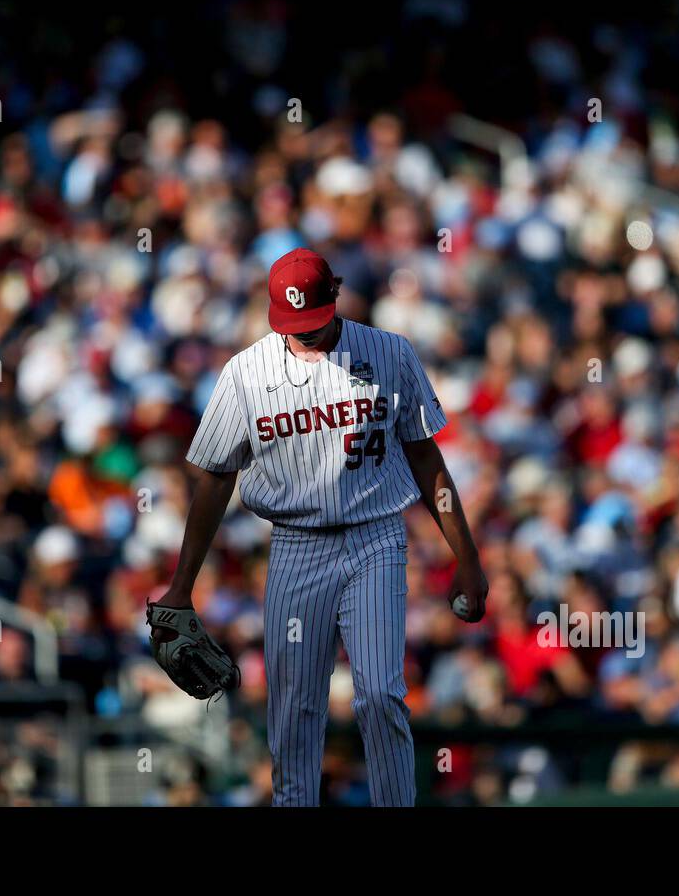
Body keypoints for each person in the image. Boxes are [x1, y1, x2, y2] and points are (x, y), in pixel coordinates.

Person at [152, 247, 488, 806]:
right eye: (293, 325)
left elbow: (427, 458)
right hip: (295, 546)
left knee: (380, 694)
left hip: (375, 536)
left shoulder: (388, 352)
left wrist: (468, 558)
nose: (303, 336)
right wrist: (183, 583)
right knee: (295, 705)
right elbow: (214, 479)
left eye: (311, 321)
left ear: (335, 296)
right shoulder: (246, 373)